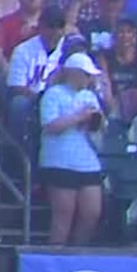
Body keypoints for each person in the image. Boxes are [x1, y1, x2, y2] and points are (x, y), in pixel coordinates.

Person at [38, 52, 108, 245]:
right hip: (60, 160)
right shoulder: (53, 94)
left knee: (92, 213)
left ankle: (78, 253)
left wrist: (97, 121)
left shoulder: (90, 96)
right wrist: (78, 117)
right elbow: (51, 125)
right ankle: (55, 256)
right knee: (63, 215)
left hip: (87, 161)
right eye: (86, 74)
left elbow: (98, 126)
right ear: (74, 73)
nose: (89, 79)